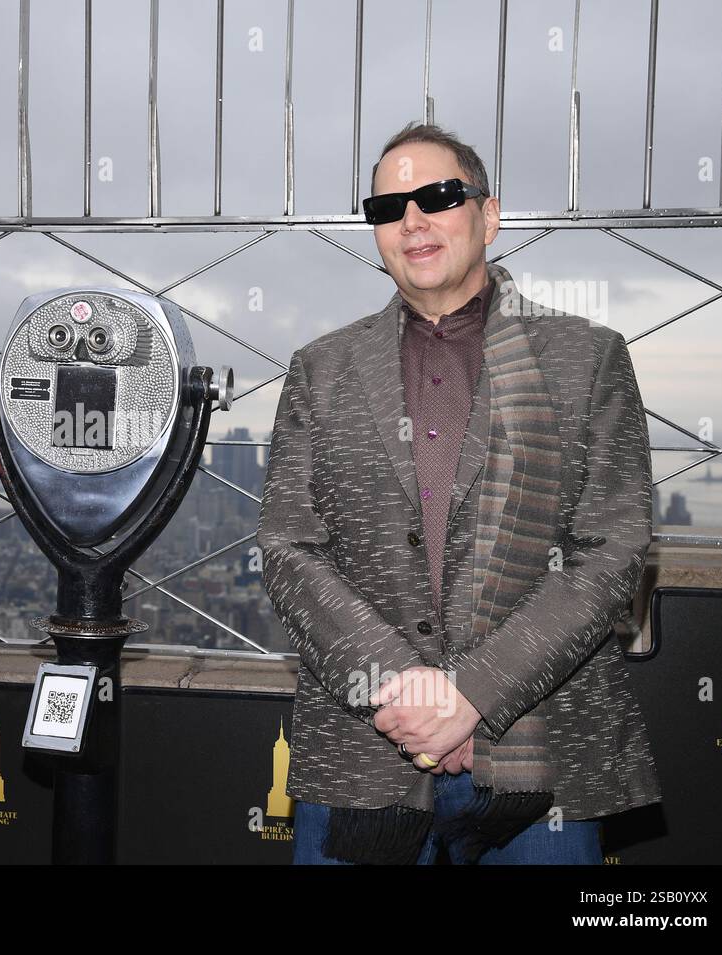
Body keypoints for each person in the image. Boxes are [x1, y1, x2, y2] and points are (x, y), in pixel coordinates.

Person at [257, 122, 661, 865]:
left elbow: (614, 549)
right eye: (388, 208)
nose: (412, 220)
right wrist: (399, 691)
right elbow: (288, 548)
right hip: (361, 758)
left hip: (540, 757)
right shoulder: (320, 368)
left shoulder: (585, 357)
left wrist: (475, 694)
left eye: (438, 196)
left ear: (489, 214)